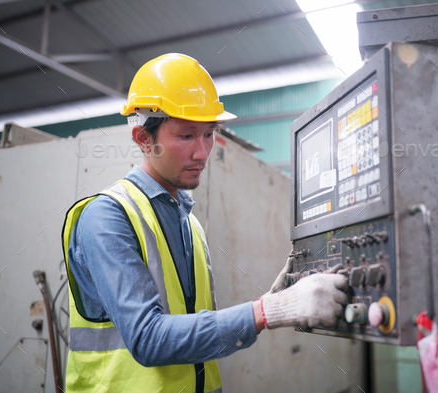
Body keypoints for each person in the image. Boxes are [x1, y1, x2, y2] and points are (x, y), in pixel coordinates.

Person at [62, 53, 348, 393]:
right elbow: (148, 338)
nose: (202, 152)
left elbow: (191, 333)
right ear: (143, 139)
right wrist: (266, 311)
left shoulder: (191, 226)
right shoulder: (107, 217)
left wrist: (271, 302)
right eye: (186, 136)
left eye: (209, 134)